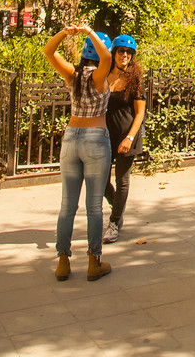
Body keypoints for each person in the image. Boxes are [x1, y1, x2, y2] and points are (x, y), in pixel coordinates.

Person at [43, 25, 113, 283]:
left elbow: (48, 51)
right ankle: (94, 261)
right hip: (95, 138)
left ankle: (63, 261)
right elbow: (106, 58)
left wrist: (64, 32)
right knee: (94, 206)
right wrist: (89, 31)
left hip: (71, 138)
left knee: (66, 206)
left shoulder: (72, 74)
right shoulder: (99, 76)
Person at [103, 34, 146, 244]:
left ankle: (114, 221)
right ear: (113, 53)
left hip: (127, 135)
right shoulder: (104, 75)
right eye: (121, 51)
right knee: (101, 179)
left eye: (129, 53)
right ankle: (117, 205)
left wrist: (129, 137)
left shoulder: (134, 78)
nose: (125, 55)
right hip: (105, 136)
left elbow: (140, 112)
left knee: (122, 180)